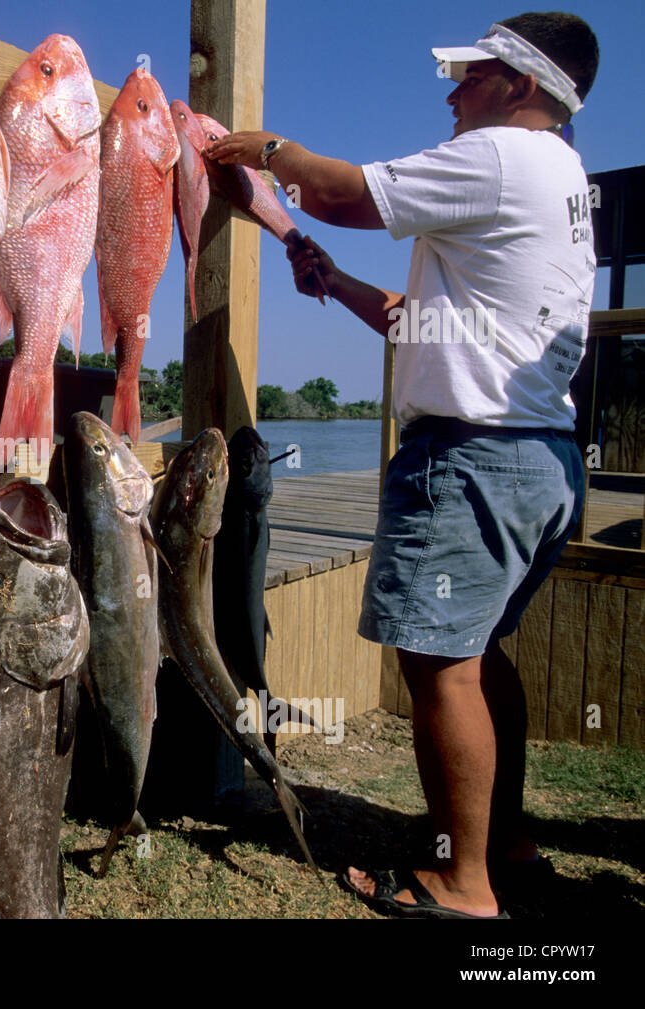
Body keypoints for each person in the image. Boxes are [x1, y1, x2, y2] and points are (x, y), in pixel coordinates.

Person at [207, 12, 599, 919]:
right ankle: (504, 846)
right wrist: (335, 282)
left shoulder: (506, 155)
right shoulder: (561, 179)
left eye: (470, 77)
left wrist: (272, 147)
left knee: (440, 667)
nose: (453, 93)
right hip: (538, 458)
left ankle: (462, 887)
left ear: (523, 86)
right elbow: (426, 323)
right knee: (476, 654)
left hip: (472, 459)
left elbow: (344, 193)